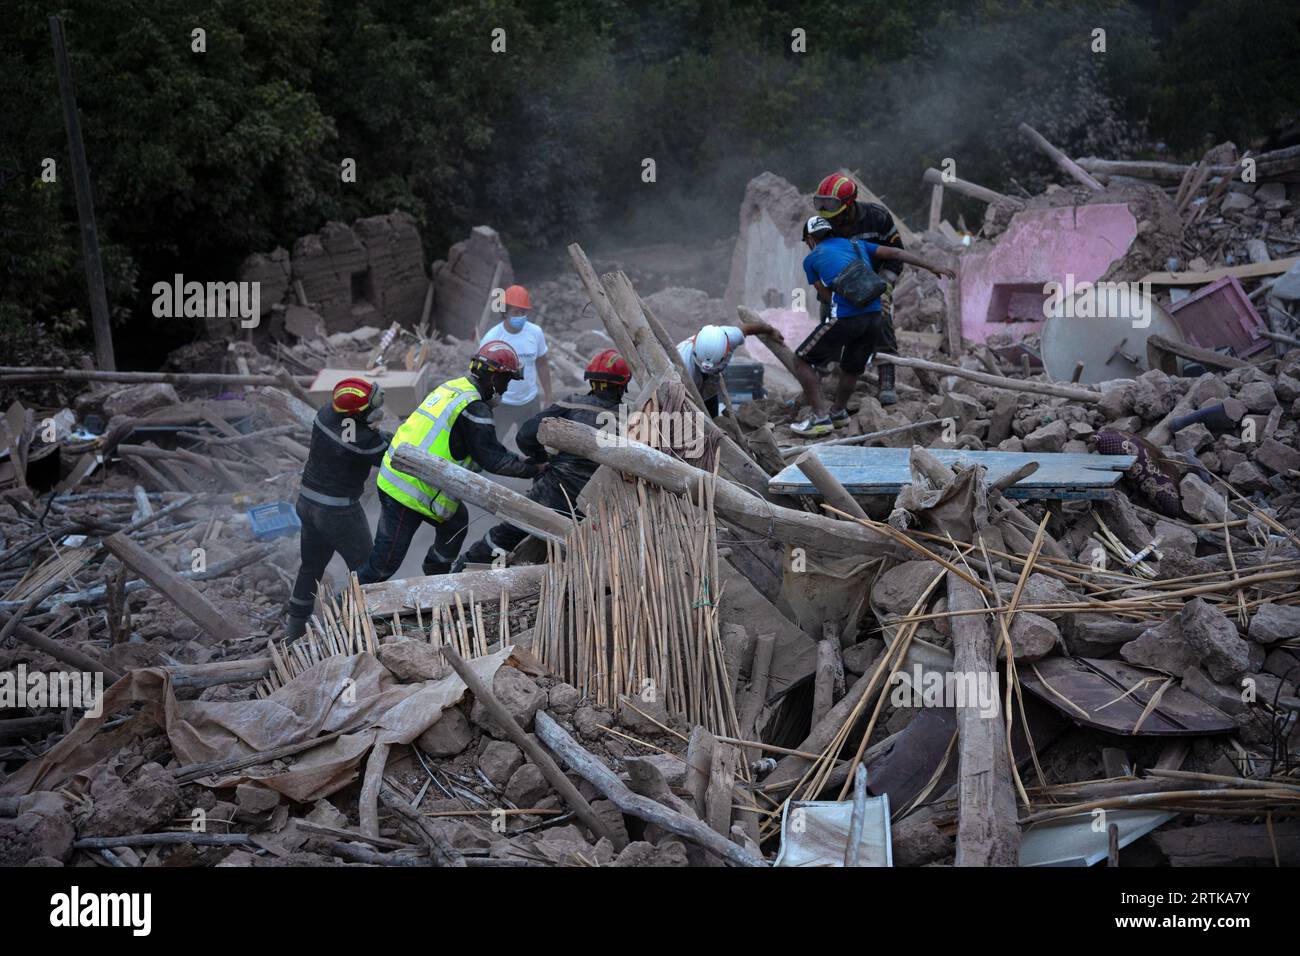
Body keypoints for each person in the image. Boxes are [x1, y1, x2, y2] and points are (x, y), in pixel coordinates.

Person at [356, 341, 544, 583]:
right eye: (506, 381)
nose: (505, 389)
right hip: (406, 491)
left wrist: (520, 460)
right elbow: (494, 460)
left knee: (455, 522)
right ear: (494, 377)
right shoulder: (475, 408)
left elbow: (489, 449)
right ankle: (346, 604)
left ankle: (436, 572)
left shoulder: (454, 388)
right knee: (384, 565)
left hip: (404, 475)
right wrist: (535, 468)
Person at [455, 349, 631, 569]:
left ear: (591, 381)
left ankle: (466, 568)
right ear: (623, 385)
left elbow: (525, 435)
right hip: (595, 504)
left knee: (506, 533)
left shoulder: (571, 404)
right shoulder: (629, 418)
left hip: (553, 492)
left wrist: (541, 459)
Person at [792, 215, 954, 435]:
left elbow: (827, 297)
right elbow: (896, 253)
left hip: (845, 318)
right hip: (876, 316)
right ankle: (838, 413)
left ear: (810, 238)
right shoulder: (856, 245)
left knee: (801, 360)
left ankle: (820, 418)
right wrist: (932, 266)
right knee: (852, 368)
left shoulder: (811, 260)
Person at [286, 378, 389, 640]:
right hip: (338, 513)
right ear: (355, 414)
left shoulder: (325, 413)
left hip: (308, 504)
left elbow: (352, 432)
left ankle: (294, 632)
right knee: (367, 570)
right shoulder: (363, 440)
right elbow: (388, 452)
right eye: (370, 403)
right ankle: (367, 628)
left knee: (310, 567)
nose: (376, 405)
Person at [812, 173, 911, 407]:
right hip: (839, 285)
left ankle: (887, 380)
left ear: (849, 206)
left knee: (882, 320)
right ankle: (825, 377)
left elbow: (897, 257)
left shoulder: (878, 218)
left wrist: (883, 290)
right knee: (830, 322)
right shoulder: (823, 227)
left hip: (875, 282)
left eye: (833, 211)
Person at [480, 284, 551, 450]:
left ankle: (535, 473)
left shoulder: (535, 332)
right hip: (502, 403)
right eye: (516, 312)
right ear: (505, 312)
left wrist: (548, 396)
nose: (520, 316)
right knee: (492, 446)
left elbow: (542, 364)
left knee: (533, 446)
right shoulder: (493, 338)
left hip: (530, 402)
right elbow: (481, 373)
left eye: (523, 312)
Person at [677, 320, 782, 418]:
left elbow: (749, 328)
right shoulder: (682, 367)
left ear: (726, 350)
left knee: (713, 417)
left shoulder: (731, 336)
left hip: (710, 385)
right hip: (687, 388)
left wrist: (771, 331)